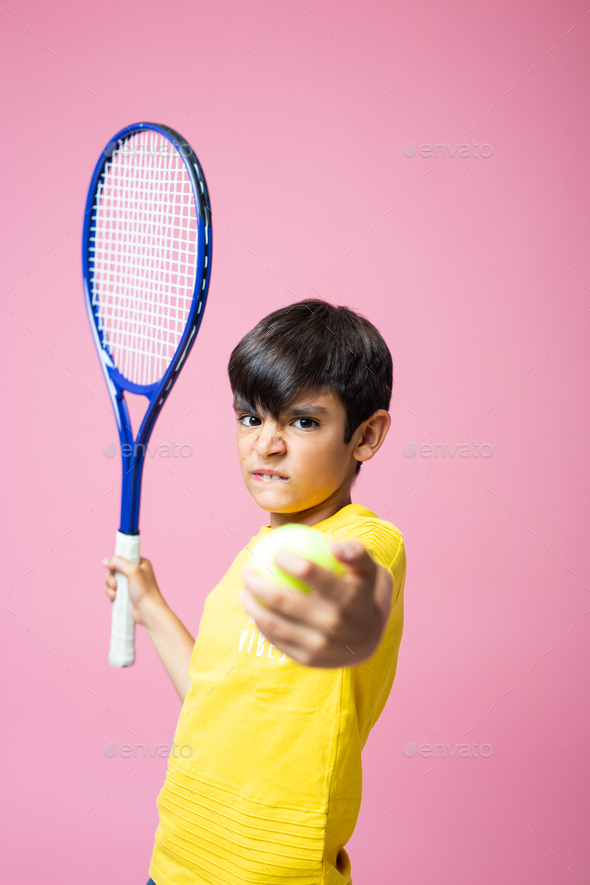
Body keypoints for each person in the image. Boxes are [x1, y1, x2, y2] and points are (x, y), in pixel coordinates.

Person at [103, 299, 407, 885]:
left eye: (303, 422)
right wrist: (150, 607)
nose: (265, 445)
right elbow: (215, 697)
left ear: (365, 436)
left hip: (276, 874)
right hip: (175, 864)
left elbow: (352, 594)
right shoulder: (243, 566)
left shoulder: (369, 541)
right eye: (250, 418)